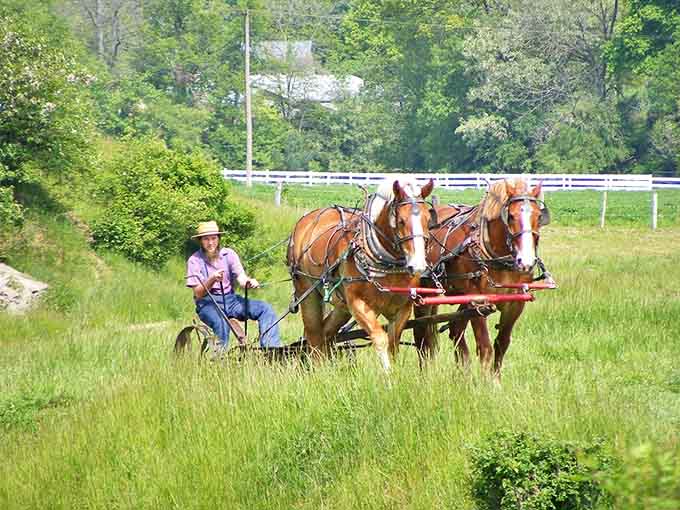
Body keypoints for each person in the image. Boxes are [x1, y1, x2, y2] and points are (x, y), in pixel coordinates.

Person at [186, 221, 281, 351]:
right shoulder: (194, 261)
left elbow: (241, 277)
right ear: (200, 241)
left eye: (214, 238)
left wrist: (248, 282)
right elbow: (198, 293)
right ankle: (219, 360)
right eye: (206, 239)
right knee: (221, 323)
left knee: (265, 309)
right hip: (208, 303)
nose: (210, 243)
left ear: (218, 239)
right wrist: (212, 279)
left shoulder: (228, 254)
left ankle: (271, 350)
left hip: (231, 301)